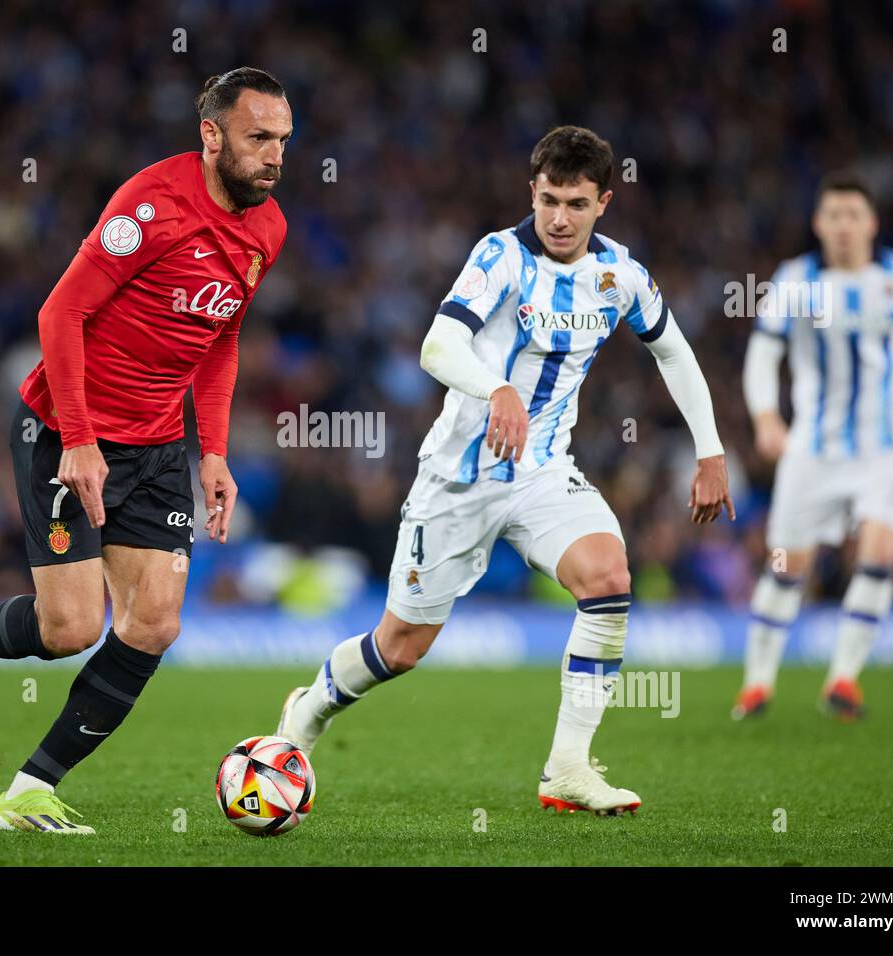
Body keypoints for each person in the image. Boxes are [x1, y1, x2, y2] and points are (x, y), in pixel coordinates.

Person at [276, 126, 733, 815]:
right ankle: (308, 711)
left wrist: (710, 451)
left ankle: (568, 769)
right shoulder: (500, 257)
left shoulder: (620, 275)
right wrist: (497, 388)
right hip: (460, 479)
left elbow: (673, 351)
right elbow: (438, 345)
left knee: (609, 577)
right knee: (400, 648)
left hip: (544, 470)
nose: (558, 217)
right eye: (549, 199)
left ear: (603, 202)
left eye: (576, 204)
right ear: (532, 191)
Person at [0, 67, 291, 834]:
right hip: (65, 434)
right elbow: (60, 312)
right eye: (258, 138)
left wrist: (212, 453)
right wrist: (78, 438)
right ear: (212, 136)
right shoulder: (150, 207)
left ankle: (30, 788)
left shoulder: (267, 228)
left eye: (283, 141)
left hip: (161, 445)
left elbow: (222, 336)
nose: (274, 156)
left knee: (154, 623)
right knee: (68, 628)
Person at [735, 171, 893, 721]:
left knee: (881, 555)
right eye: (832, 215)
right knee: (788, 567)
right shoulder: (795, 280)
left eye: (853, 215)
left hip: (884, 453)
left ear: (871, 222)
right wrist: (766, 417)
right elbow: (763, 353)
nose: (842, 226)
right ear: (818, 223)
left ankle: (843, 681)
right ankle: (757, 684)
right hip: (813, 450)